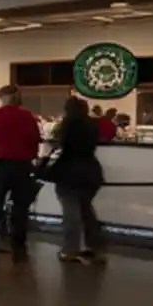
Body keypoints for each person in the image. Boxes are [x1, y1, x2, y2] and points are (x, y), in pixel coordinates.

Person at [0, 85, 42, 259]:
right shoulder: (27, 117)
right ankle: (18, 242)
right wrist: (32, 156)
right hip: (22, 165)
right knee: (20, 207)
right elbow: (35, 140)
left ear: (0, 97)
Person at [50, 97, 107, 264]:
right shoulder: (92, 125)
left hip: (69, 172)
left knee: (71, 213)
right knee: (86, 210)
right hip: (91, 171)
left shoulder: (67, 125)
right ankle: (94, 247)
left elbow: (62, 145)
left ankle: (70, 250)